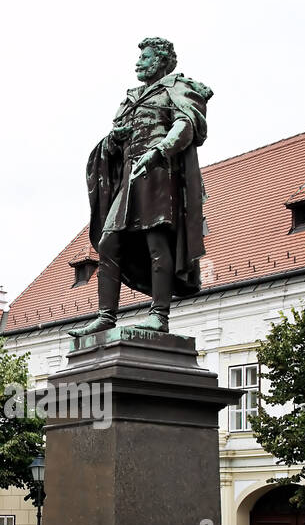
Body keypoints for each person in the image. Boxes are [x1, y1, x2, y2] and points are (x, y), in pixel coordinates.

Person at [70, 37, 212, 337]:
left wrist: (160, 150)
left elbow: (186, 125)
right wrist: (113, 139)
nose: (138, 63)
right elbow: (113, 142)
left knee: (156, 243)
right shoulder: (130, 98)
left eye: (145, 58)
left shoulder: (178, 88)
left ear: (160, 61)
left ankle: (159, 315)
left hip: (160, 173)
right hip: (131, 175)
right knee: (109, 242)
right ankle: (106, 316)